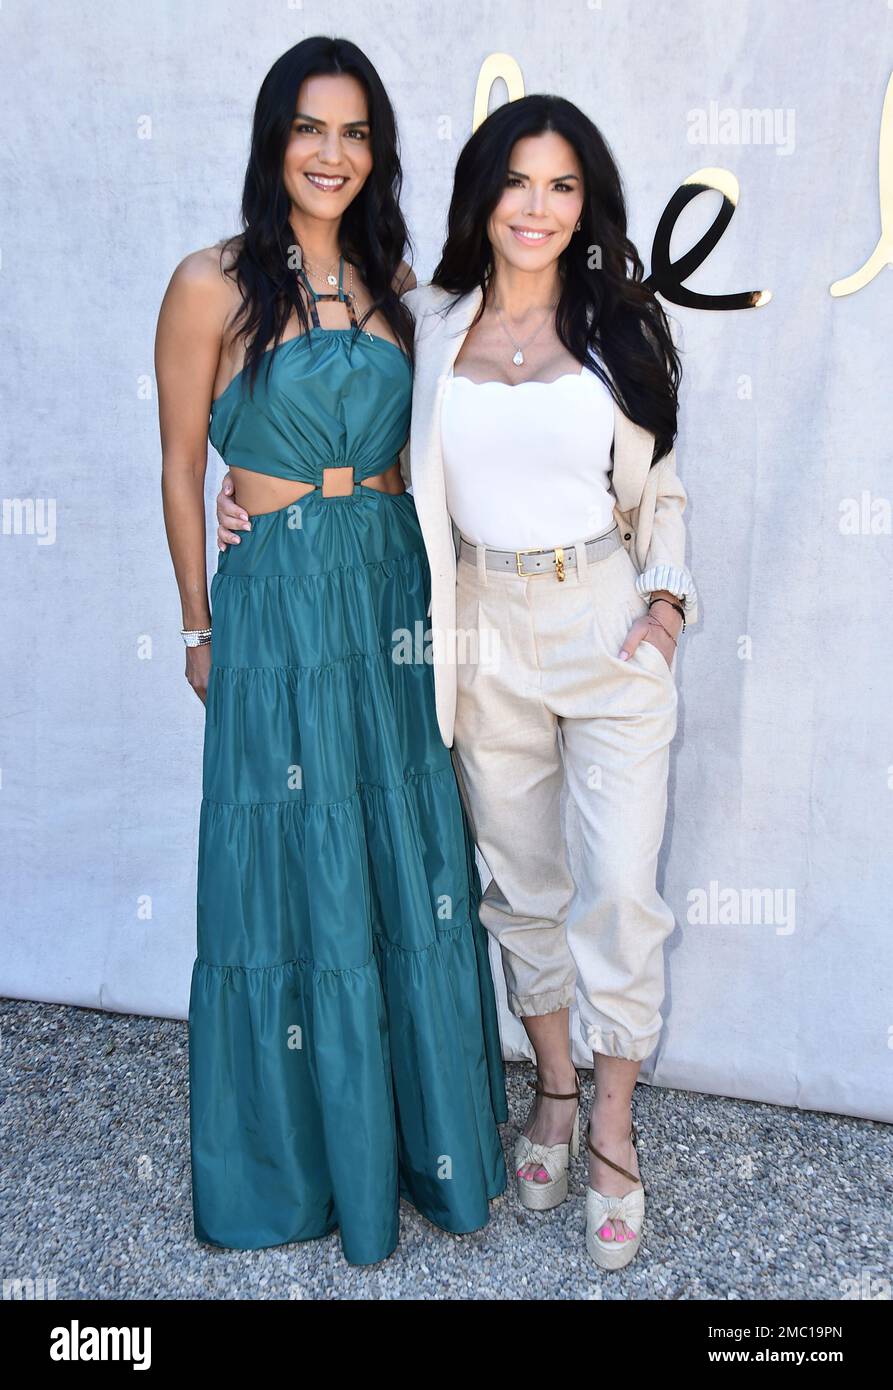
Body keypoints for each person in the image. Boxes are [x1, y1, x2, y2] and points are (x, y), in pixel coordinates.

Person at [218, 94, 700, 1272]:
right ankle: (549, 1092)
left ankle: (614, 1129)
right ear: (482, 198)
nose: (537, 208)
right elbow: (361, 446)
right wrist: (250, 497)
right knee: (519, 880)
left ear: (586, 208)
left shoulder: (615, 325)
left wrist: (666, 605)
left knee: (621, 888)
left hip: (599, 620)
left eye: (562, 187)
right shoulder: (429, 325)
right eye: (517, 183)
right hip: (475, 629)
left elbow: (661, 485)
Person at [156, 36, 507, 1269]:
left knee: (393, 840)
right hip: (278, 606)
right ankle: (300, 1163)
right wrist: (198, 619)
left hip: (383, 591)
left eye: (355, 132)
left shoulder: (388, 273)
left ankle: (416, 1141)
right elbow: (181, 465)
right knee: (293, 850)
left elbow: (421, 443)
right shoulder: (208, 283)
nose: (332, 153)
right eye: (311, 128)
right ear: (273, 139)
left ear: (376, 152)